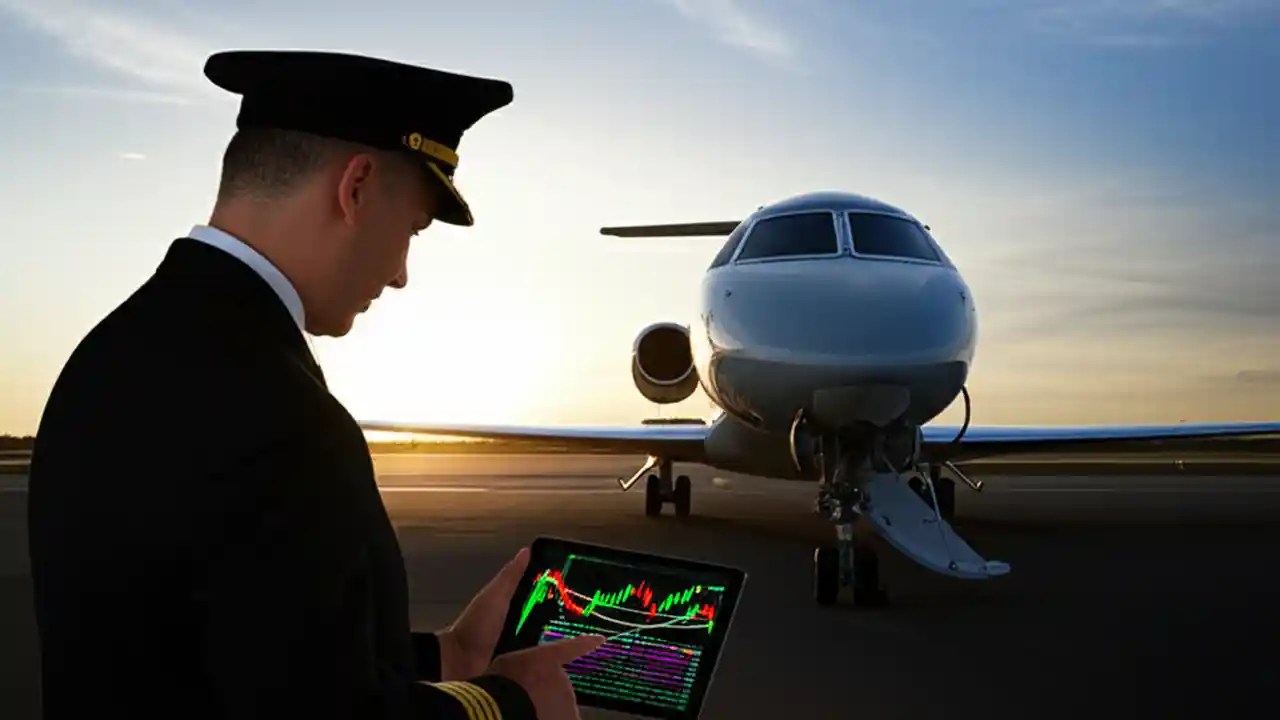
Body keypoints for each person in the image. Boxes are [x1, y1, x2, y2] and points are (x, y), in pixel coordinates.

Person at [26, 49, 603, 719]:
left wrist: (449, 656)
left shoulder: (110, 355)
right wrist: (509, 704)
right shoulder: (283, 415)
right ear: (354, 188)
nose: (400, 274)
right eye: (411, 230)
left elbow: (224, 648)